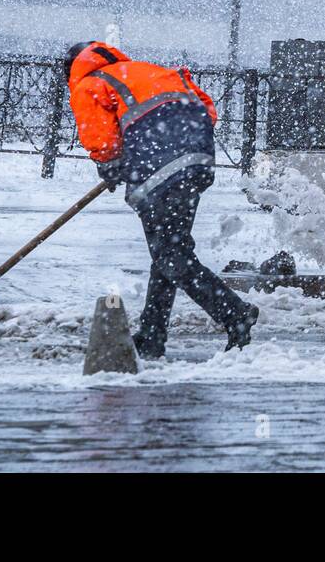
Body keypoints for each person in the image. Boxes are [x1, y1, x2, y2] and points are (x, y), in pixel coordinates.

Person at [65, 41, 258, 356]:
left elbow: (101, 139)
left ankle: (234, 313)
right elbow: (207, 109)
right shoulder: (144, 71)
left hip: (160, 165)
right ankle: (152, 336)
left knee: (170, 255)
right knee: (170, 251)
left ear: (73, 68)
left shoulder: (90, 83)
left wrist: (110, 164)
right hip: (197, 157)